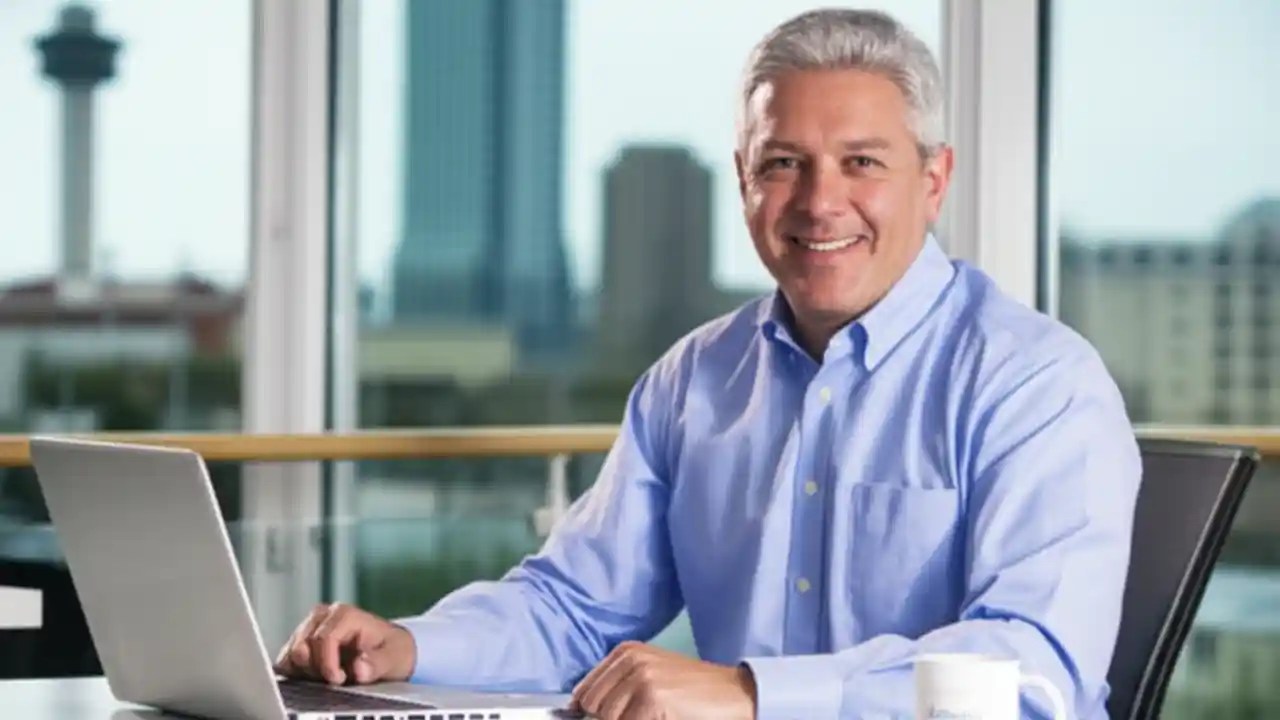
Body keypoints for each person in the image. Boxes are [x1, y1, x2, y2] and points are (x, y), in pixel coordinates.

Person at [276, 8, 1141, 719]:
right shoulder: (693, 382)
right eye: (783, 164)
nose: (818, 201)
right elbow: (576, 606)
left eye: (862, 163)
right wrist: (412, 644)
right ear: (743, 179)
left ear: (934, 179)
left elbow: (1033, 670)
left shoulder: (1040, 385)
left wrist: (751, 693)